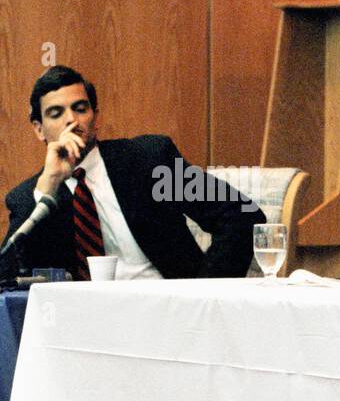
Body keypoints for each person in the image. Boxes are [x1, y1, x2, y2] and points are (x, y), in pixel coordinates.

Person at [2, 65, 263, 283]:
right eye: (56, 113)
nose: (72, 120)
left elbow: (241, 216)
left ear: (96, 118)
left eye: (80, 108)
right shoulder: (29, 200)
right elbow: (9, 280)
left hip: (172, 316)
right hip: (86, 329)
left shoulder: (148, 162)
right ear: (39, 129)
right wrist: (47, 185)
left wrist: (203, 293)